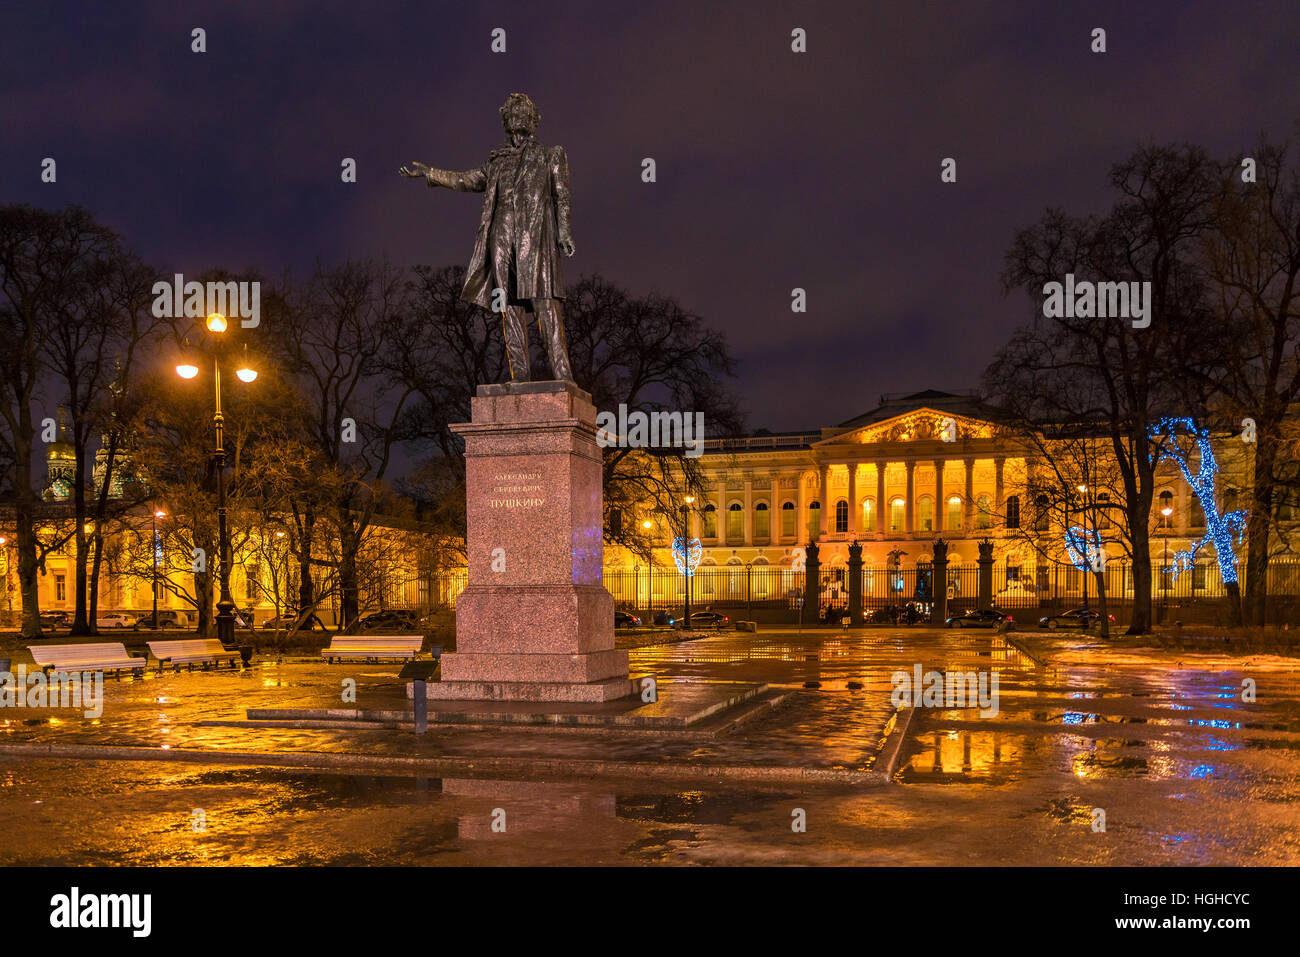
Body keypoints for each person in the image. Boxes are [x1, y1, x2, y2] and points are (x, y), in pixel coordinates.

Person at [399, 93, 575, 382]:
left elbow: (562, 195)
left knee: (546, 305)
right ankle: (519, 377)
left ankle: (564, 377)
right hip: (502, 237)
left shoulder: (550, 154)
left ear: (533, 120)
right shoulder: (497, 162)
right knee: (508, 307)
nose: (518, 116)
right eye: (513, 112)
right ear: (506, 121)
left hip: (537, 240)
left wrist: (565, 231)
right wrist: (428, 172)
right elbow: (464, 180)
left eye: (524, 112)